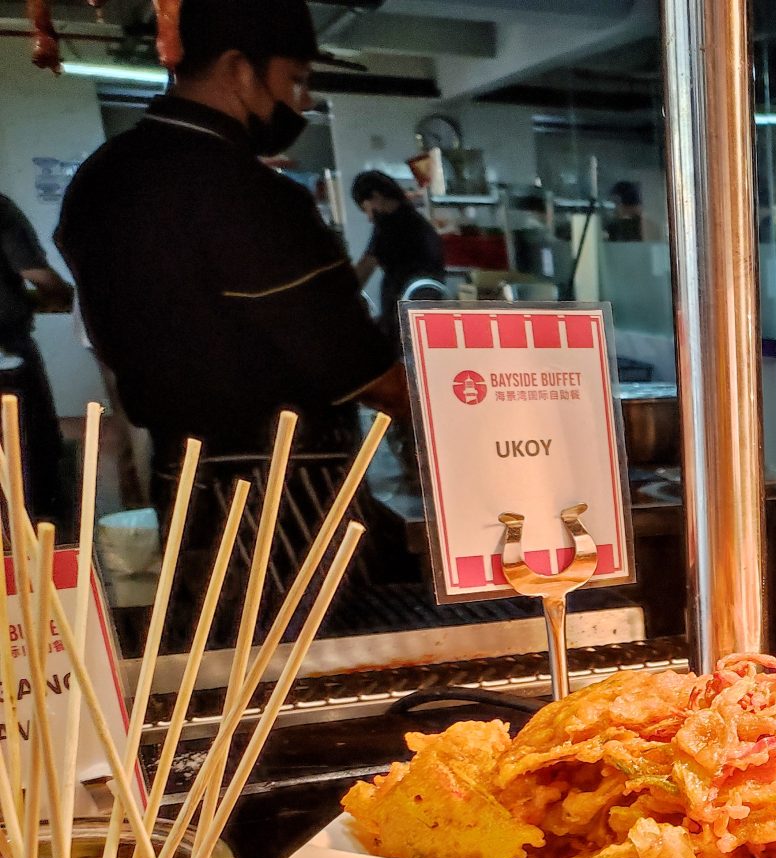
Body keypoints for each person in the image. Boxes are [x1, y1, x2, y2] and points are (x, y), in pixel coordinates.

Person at [58, 0, 407, 481]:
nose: (304, 101)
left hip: (177, 473)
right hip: (283, 483)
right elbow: (361, 369)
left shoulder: (97, 178)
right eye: (296, 80)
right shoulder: (249, 191)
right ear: (238, 69)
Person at [0, 193, 74, 533]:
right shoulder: (0, 209)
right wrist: (73, 299)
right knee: (32, 451)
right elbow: (36, 274)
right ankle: (43, 537)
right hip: (6, 353)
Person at [350, 170, 445, 339]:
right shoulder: (415, 220)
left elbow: (365, 268)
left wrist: (337, 294)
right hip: (424, 317)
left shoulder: (389, 226)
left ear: (376, 196)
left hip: (405, 320)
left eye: (367, 209)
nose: (369, 218)